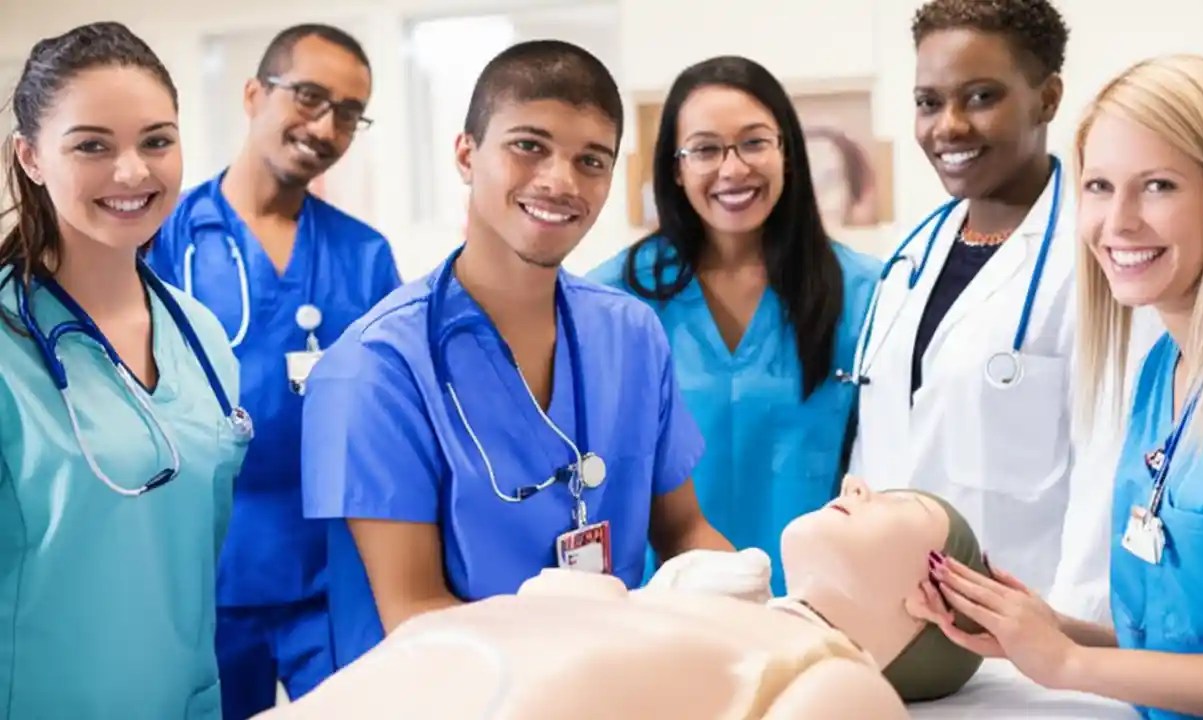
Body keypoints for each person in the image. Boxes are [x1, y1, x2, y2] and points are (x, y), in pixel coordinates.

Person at [298, 39, 735, 670]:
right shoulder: (373, 368)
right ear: (466, 154)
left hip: (614, 690)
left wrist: (756, 609)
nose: (561, 181)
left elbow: (684, 530)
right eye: (529, 146)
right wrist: (592, 672)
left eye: (591, 160)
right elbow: (415, 613)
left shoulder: (631, 335)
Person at [927, 54, 1203, 720]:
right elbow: (1191, 647)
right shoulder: (1164, 371)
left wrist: (1072, 666)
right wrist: (1041, 631)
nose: (1118, 222)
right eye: (1098, 186)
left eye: (1158, 186)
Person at [849, 0, 1155, 619]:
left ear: (1047, 98)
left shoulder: (1102, 259)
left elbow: (1110, 475)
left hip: (1038, 648)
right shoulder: (909, 261)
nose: (949, 126)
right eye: (928, 102)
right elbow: (877, 456)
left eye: (981, 97)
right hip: (896, 628)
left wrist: (1070, 642)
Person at [146, 23, 402, 717]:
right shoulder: (164, 239)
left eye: (349, 113)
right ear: (255, 93)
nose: (326, 126)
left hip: (331, 567)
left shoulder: (365, 255)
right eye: (310, 97)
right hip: (205, 570)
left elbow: (393, 420)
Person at [256, 481, 993, 719]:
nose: (856, 486)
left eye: (894, 497)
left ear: (934, 596)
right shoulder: (700, 606)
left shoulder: (843, 683)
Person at [0, 22, 250, 719]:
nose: (133, 172)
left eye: (156, 140)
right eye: (92, 146)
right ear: (31, 158)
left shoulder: (199, 336)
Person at [589, 56, 880, 596]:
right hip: (665, 610)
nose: (732, 169)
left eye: (753, 142)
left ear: (786, 152)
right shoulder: (612, 301)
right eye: (704, 149)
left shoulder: (868, 294)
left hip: (822, 609)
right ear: (675, 168)